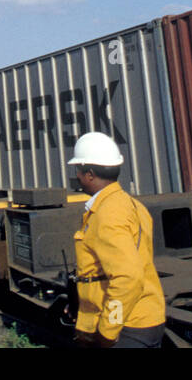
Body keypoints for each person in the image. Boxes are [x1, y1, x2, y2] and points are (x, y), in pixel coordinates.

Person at [68, 131, 167, 348]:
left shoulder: (107, 213)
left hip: (127, 327)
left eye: (78, 170)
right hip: (145, 317)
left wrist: (107, 331)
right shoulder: (131, 205)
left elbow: (127, 278)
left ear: (90, 174)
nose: (77, 176)